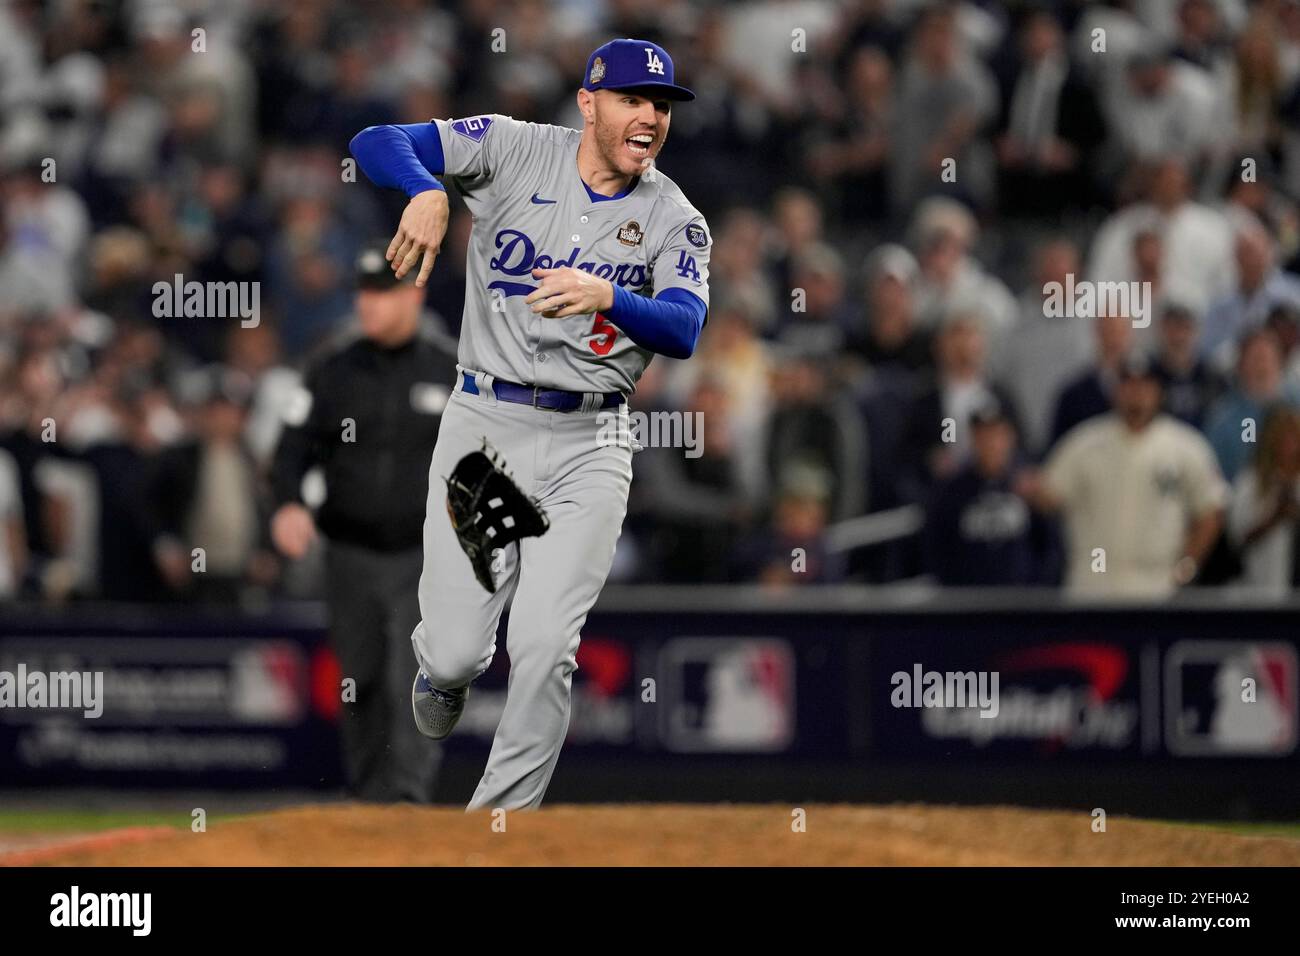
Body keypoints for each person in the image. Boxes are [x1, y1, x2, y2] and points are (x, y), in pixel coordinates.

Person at [350, 38, 710, 810]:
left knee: (546, 648)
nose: (649, 116)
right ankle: (442, 672)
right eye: (632, 99)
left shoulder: (675, 216)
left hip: (593, 440)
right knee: (451, 656)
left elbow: (683, 327)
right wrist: (424, 189)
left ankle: (499, 832)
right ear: (588, 102)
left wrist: (609, 297)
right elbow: (374, 141)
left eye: (661, 105)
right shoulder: (512, 147)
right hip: (485, 424)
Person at [269, 243, 458, 803]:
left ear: (414, 294)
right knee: (360, 681)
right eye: (364, 293)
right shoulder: (332, 369)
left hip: (423, 557)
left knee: (413, 679)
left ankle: (407, 798)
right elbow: (291, 449)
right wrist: (288, 503)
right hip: (348, 552)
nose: (369, 305)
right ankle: (369, 797)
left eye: (383, 293)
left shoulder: (450, 369)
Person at [1020, 352, 1226, 600]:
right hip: (1093, 582)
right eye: (1129, 385)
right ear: (1117, 391)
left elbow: (1211, 511)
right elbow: (1050, 495)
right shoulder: (1085, 442)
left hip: (1156, 584)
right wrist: (1031, 489)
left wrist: (1185, 568)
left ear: (1158, 392)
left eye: (1144, 386)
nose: (1136, 393)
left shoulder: (1185, 446)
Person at [1227, 406, 1300, 595]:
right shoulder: (1251, 481)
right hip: (1260, 587)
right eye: (1284, 437)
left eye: (1295, 436)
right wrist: (1276, 516)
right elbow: (1238, 538)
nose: (1291, 444)